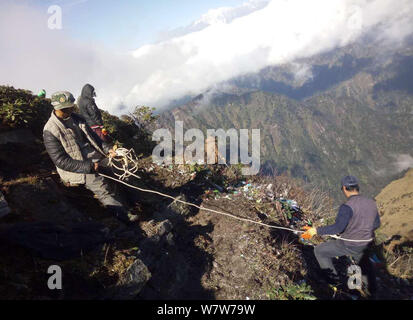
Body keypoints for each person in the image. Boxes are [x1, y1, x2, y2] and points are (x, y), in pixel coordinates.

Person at [43, 91, 138, 224]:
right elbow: (60, 160)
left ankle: (135, 202)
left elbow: (95, 139)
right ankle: (124, 215)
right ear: (58, 108)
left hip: (96, 157)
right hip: (78, 169)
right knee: (103, 187)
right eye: (68, 107)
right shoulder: (50, 131)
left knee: (120, 172)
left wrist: (108, 149)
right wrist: (87, 166)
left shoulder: (76, 118)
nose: (71, 108)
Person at [301, 176, 380, 286]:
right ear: (357, 187)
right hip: (366, 243)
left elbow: (338, 228)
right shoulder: (371, 203)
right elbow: (376, 224)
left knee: (320, 251)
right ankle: (372, 290)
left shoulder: (347, 207)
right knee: (363, 261)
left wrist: (315, 231)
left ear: (344, 188)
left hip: (350, 244)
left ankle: (333, 281)